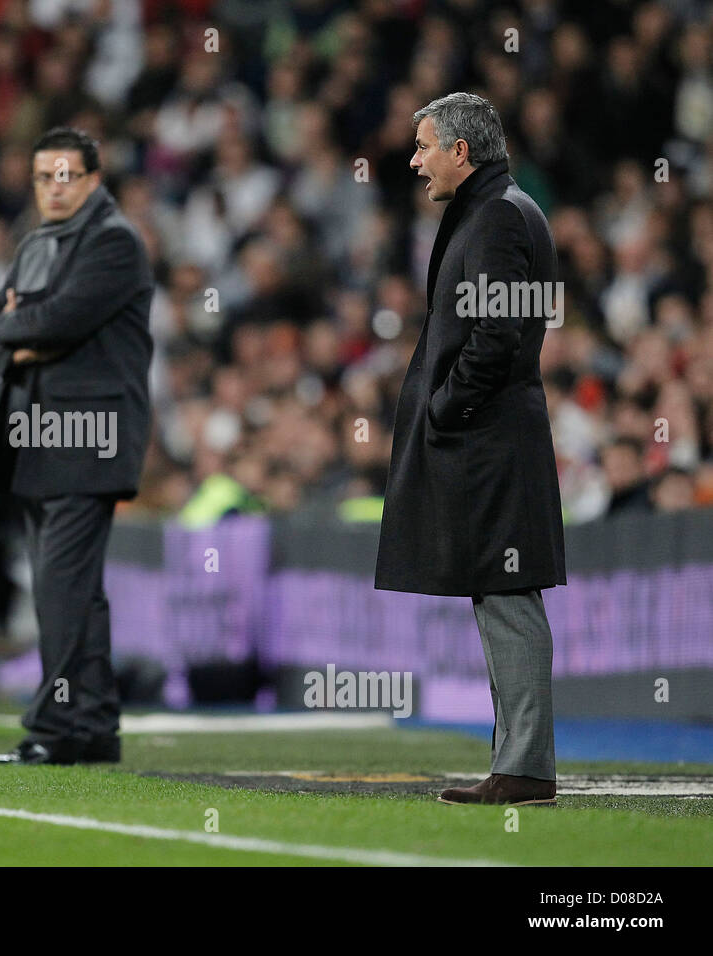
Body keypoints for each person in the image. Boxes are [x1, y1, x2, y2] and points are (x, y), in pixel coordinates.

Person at [375, 93, 566, 806]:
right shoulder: (500, 209)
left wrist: (446, 406)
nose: (417, 159)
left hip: (492, 440)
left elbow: (499, 336)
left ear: (462, 150)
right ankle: (516, 761)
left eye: (425, 146)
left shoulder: (497, 216)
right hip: (493, 435)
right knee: (499, 592)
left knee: (508, 592)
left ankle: (523, 768)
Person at [0, 127, 153, 765]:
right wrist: (22, 335)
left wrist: (23, 326)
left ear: (94, 180)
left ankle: (58, 728)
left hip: (89, 440)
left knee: (61, 587)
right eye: (44, 175)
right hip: (35, 440)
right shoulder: (37, 245)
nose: (54, 187)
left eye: (67, 175)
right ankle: (94, 725)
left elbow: (59, 320)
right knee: (73, 589)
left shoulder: (114, 243)